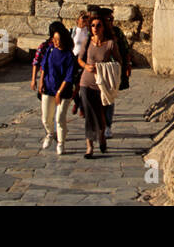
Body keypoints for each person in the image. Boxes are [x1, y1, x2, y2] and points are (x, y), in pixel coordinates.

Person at [76, 14, 122, 157]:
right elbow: (80, 59)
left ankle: (101, 135)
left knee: (101, 114)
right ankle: (89, 146)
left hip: (102, 85)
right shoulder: (87, 41)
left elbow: (118, 62)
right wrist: (86, 66)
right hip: (86, 82)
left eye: (98, 25)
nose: (95, 28)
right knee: (89, 113)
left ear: (103, 27)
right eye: (93, 25)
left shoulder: (110, 44)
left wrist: (103, 67)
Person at [35, 21, 77, 155]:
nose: (56, 42)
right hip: (49, 88)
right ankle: (49, 134)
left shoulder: (69, 56)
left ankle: (61, 142)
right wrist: (41, 81)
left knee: (59, 118)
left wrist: (59, 92)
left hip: (63, 91)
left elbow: (69, 77)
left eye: (58, 40)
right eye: (54, 39)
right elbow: (44, 66)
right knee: (46, 118)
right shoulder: (50, 50)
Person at [95, 10, 132, 138]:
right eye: (108, 19)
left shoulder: (117, 33)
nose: (111, 22)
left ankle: (108, 126)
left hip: (113, 71)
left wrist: (128, 64)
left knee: (109, 97)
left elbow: (125, 49)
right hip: (98, 71)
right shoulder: (96, 33)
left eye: (112, 19)